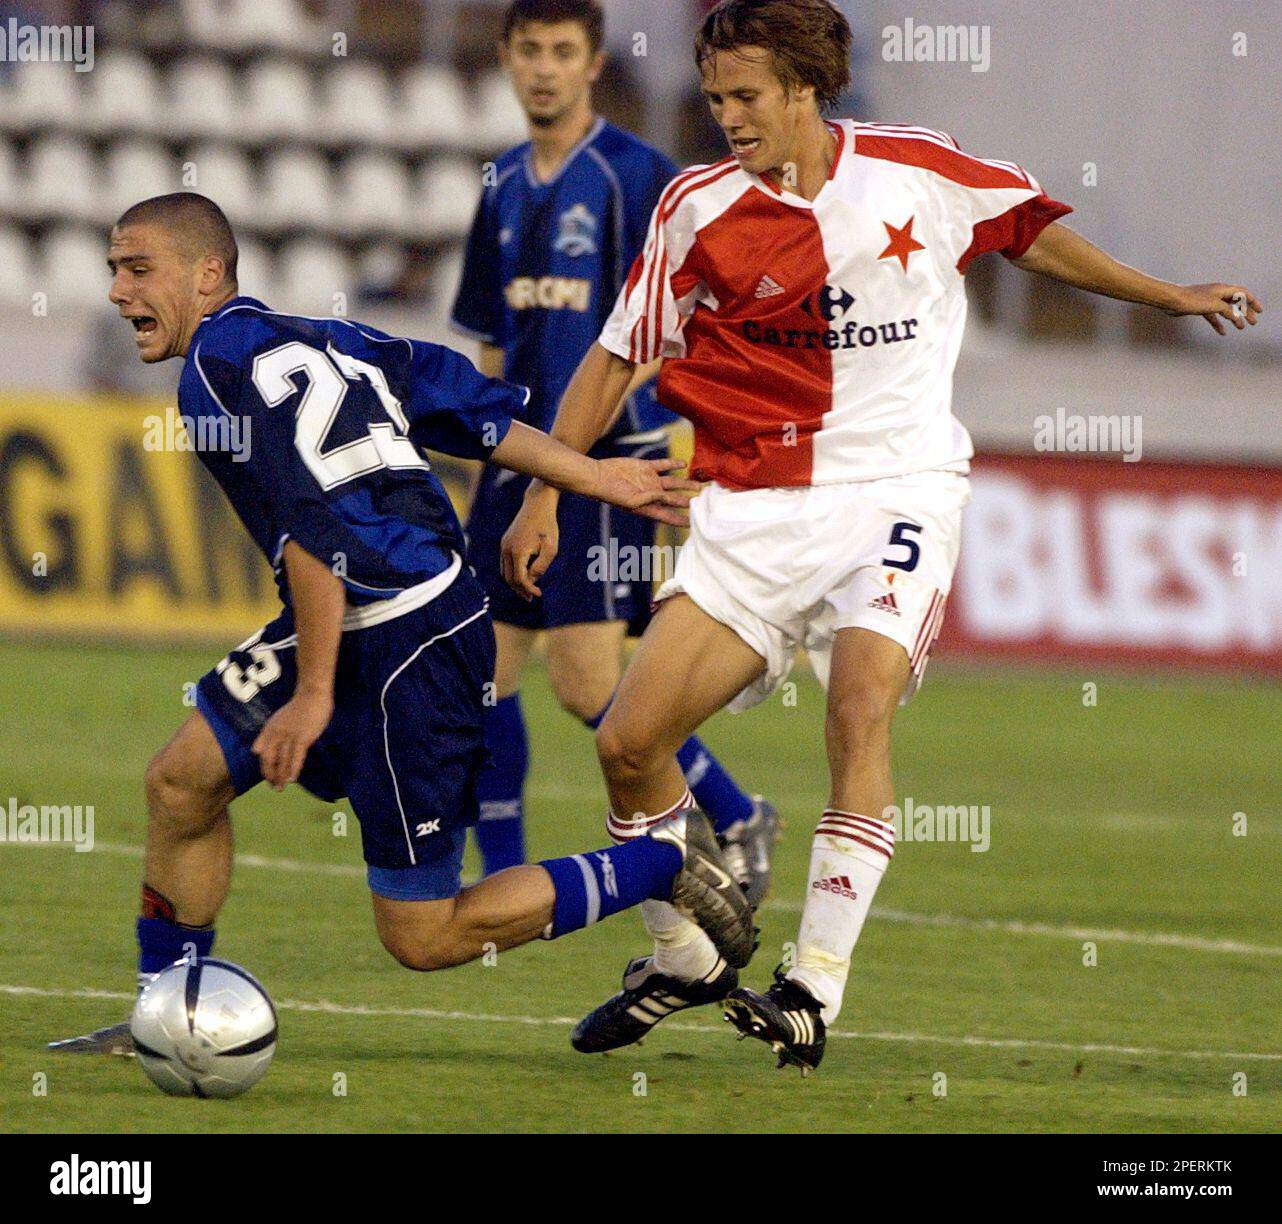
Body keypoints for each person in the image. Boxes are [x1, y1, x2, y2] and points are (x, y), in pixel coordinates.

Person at [501, 0, 1263, 1071]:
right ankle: (681, 950)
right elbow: (618, 353)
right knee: (627, 743)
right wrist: (548, 494)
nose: (725, 115)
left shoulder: (917, 171)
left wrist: (1168, 297)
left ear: (807, 90)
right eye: (714, 96)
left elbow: (1028, 232)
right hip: (754, 514)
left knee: (858, 712)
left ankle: (812, 988)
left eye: (746, 96)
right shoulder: (693, 207)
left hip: (897, 493)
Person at [49, 191, 754, 1056]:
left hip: (407, 638)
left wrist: (311, 698)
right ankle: (167, 1016)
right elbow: (472, 409)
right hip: (373, 605)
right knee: (181, 784)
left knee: (423, 934)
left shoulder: (212, 375)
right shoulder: (329, 339)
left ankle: (664, 863)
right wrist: (592, 476)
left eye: (137, 268)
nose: (118, 290)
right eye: (114, 269)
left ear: (207, 273)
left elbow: (314, 537)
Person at [453, 0, 779, 908]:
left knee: (587, 681)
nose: (545, 68)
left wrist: (577, 449)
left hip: (610, 470)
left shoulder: (639, 179)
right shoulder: (503, 182)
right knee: (485, 673)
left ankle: (734, 812)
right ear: (509, 60)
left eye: (564, 51)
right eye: (529, 51)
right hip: (516, 469)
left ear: (595, 64)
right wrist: (494, 461)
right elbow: (487, 340)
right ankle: (505, 873)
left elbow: (681, 333)